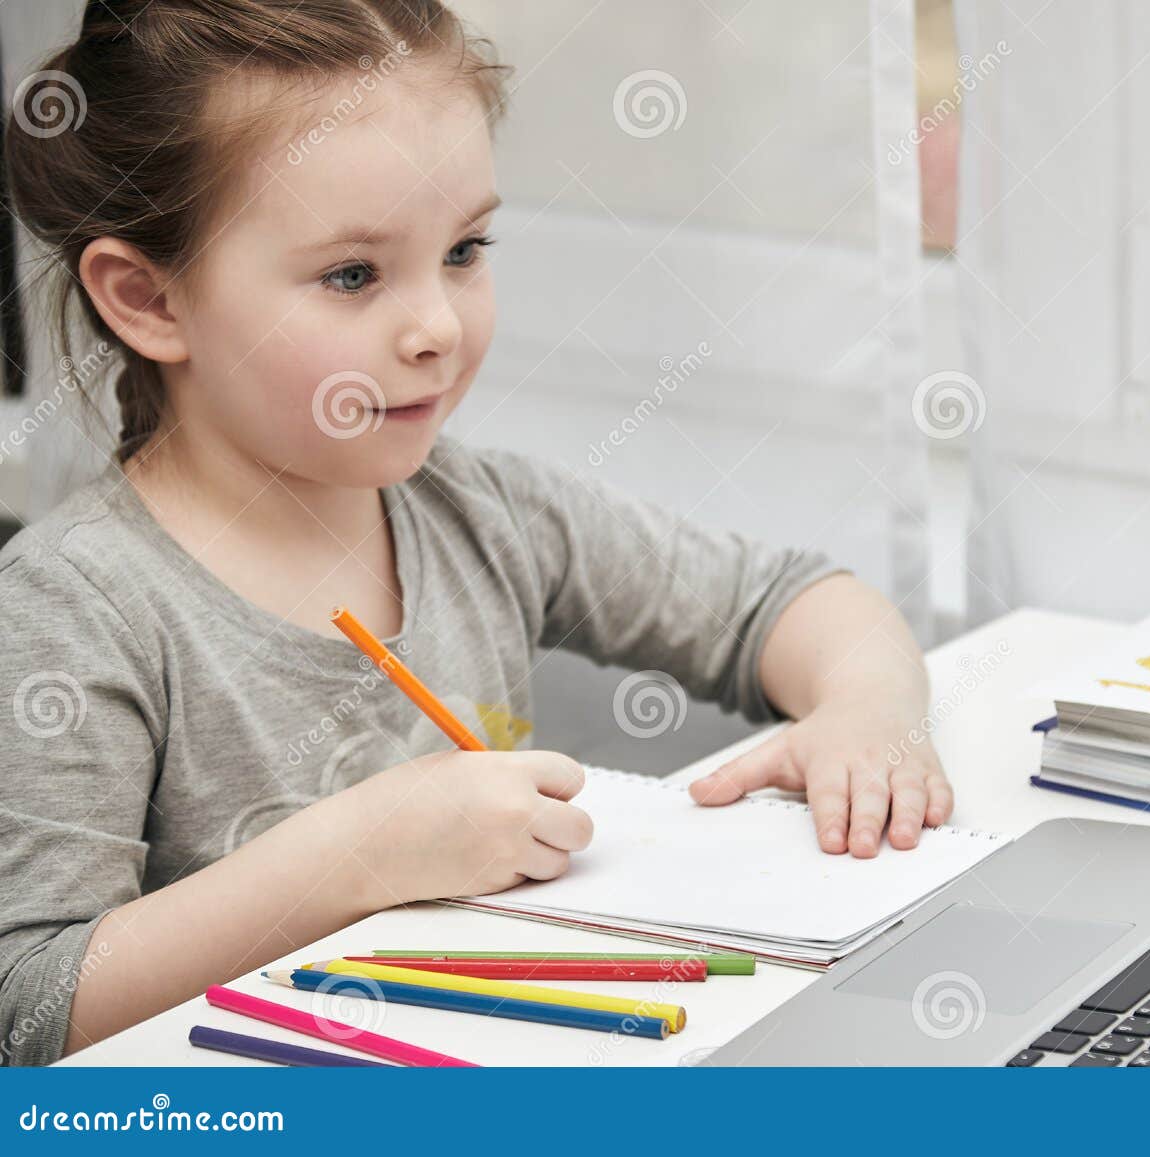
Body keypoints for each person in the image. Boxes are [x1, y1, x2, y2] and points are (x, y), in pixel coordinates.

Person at [0, 0, 951, 1065]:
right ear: (149, 299)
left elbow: (787, 602)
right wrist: (355, 854)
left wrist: (871, 708)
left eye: (463, 249)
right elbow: (29, 1009)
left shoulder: (481, 512)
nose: (439, 326)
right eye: (352, 275)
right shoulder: (72, 606)